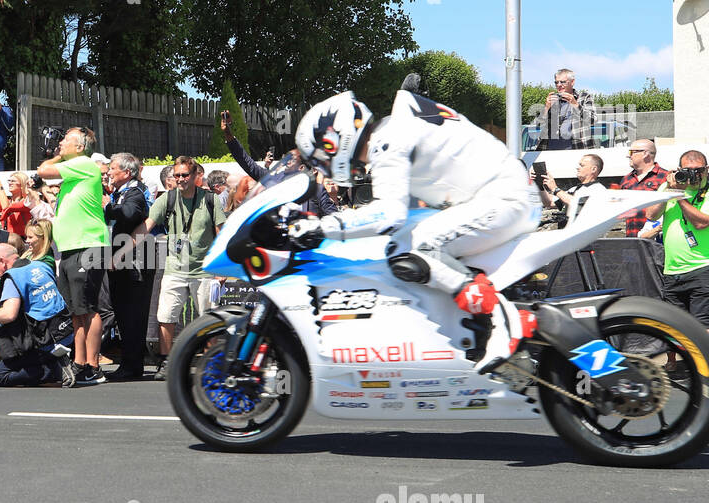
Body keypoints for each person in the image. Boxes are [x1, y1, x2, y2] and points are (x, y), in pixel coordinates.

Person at [290, 89, 540, 371]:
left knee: (416, 247)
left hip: (503, 199)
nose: (324, 169)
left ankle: (503, 320)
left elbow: (388, 215)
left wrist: (321, 227)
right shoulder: (393, 131)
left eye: (322, 158)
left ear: (334, 140)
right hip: (504, 196)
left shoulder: (387, 141)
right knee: (403, 244)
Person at [138, 156, 227, 380]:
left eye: (185, 175)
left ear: (196, 176)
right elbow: (146, 226)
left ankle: (211, 364)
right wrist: (119, 251)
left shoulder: (210, 199)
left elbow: (222, 233)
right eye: (177, 175)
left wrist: (222, 267)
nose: (180, 179)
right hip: (175, 268)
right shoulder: (167, 199)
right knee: (165, 316)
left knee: (208, 319)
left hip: (204, 270)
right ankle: (166, 362)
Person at [36, 127, 109, 385]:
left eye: (66, 141)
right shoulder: (76, 169)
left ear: (79, 147)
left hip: (87, 244)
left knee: (88, 309)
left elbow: (43, 170)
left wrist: (55, 156)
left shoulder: (83, 163)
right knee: (77, 311)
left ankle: (93, 366)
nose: (61, 144)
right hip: (71, 247)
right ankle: (80, 363)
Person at [643, 150, 709, 371]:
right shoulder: (671, 188)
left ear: (707, 169)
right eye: (688, 171)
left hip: (706, 266)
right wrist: (669, 189)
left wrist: (680, 197)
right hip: (673, 269)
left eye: (698, 170)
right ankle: (679, 364)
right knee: (674, 325)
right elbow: (651, 215)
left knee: (705, 323)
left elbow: (701, 223)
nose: (694, 175)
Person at [0, 244, 73, 387]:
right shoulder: (40, 265)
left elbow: (9, 314)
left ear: (2, 261)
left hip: (43, 339)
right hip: (65, 330)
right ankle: (44, 361)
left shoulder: (13, 276)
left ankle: (54, 369)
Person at [221, 110, 335, 215]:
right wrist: (228, 134)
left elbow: (333, 217)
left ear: (302, 168)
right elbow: (248, 164)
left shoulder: (317, 191)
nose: (287, 163)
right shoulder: (276, 182)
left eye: (292, 160)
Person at [104, 152, 155, 381]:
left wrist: (108, 207)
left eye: (113, 168)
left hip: (135, 265)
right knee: (123, 313)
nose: (109, 171)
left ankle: (132, 367)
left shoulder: (135, 192)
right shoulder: (120, 192)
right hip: (121, 264)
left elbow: (129, 212)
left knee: (132, 314)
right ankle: (129, 363)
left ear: (126, 172)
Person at [535, 153, 606, 230]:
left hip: (584, 236)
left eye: (582, 165)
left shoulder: (598, 190)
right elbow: (549, 202)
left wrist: (555, 189)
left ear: (593, 169)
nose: (578, 168)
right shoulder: (574, 189)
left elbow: (577, 203)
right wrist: (539, 184)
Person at [530, 68, 596, 151]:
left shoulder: (584, 97)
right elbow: (536, 124)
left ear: (572, 82)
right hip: (549, 151)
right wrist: (546, 107)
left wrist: (575, 104)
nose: (559, 85)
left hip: (577, 150)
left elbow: (592, 120)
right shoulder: (552, 99)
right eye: (556, 82)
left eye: (563, 82)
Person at [618, 139, 670, 237]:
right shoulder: (626, 180)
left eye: (631, 152)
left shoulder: (665, 177)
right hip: (632, 239)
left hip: (657, 240)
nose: (628, 156)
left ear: (645, 154)